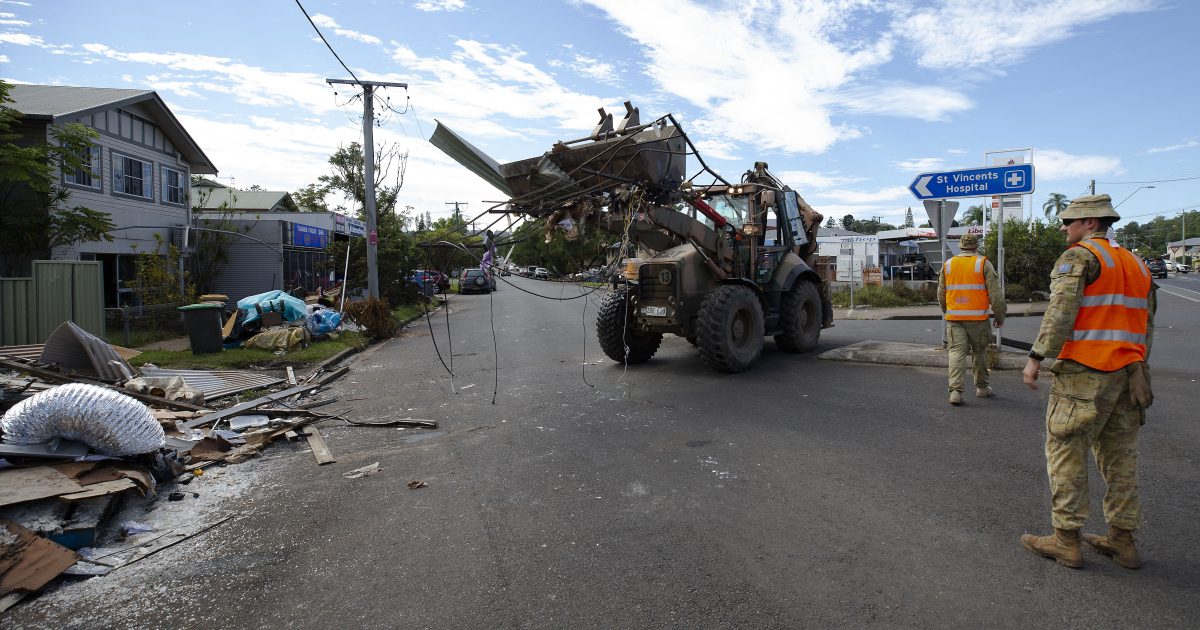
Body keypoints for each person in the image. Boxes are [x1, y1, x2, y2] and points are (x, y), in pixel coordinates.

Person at [1020, 194, 1156, 569]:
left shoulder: (1079, 257)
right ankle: (1122, 541)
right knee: (1120, 460)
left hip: (1085, 373)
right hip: (1129, 376)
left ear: (1091, 223)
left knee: (1065, 451)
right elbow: (1147, 325)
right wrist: (1139, 366)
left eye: (1070, 221)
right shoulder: (1136, 263)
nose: (1064, 227)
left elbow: (1060, 312)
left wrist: (1036, 358)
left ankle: (1066, 540)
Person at [937, 232, 1005, 405]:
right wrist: (999, 315)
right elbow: (995, 294)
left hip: (955, 319)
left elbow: (941, 293)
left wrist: (947, 311)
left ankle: (955, 392)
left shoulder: (949, 264)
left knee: (956, 353)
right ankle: (982, 388)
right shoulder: (983, 263)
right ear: (976, 247)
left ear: (960, 247)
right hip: (978, 320)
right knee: (979, 353)